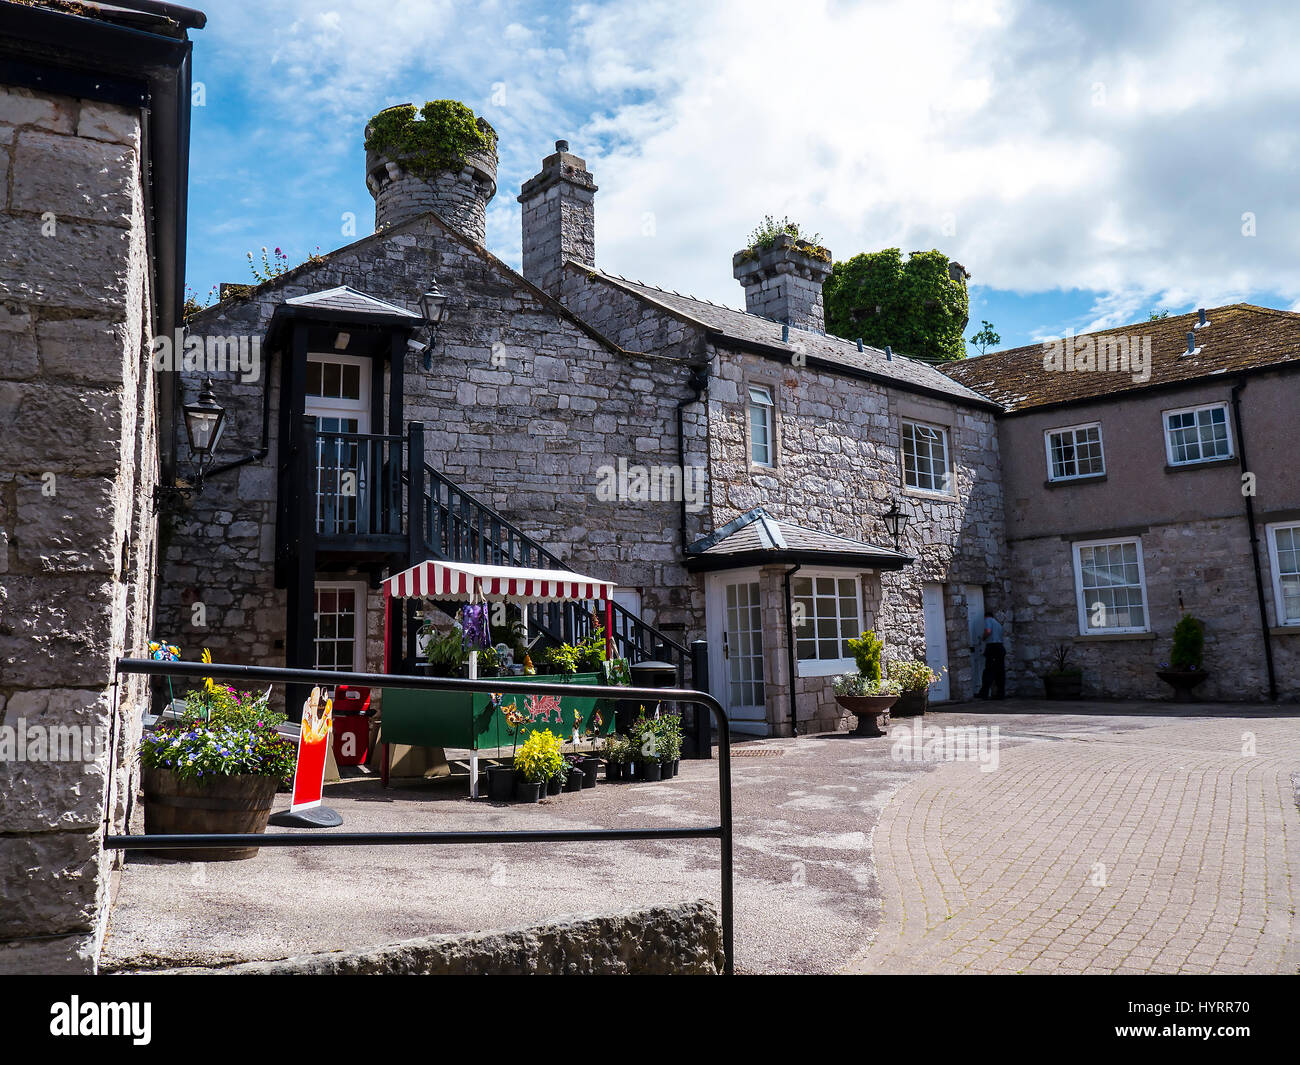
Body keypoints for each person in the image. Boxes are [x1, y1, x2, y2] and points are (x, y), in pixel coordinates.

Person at [975, 611, 1005, 699]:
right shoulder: (998, 624)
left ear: (986, 616)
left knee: (989, 671)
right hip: (1000, 647)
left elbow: (988, 631)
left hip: (993, 648)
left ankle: (984, 693)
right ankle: (1000, 694)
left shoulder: (988, 620)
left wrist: (982, 638)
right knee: (1000, 672)